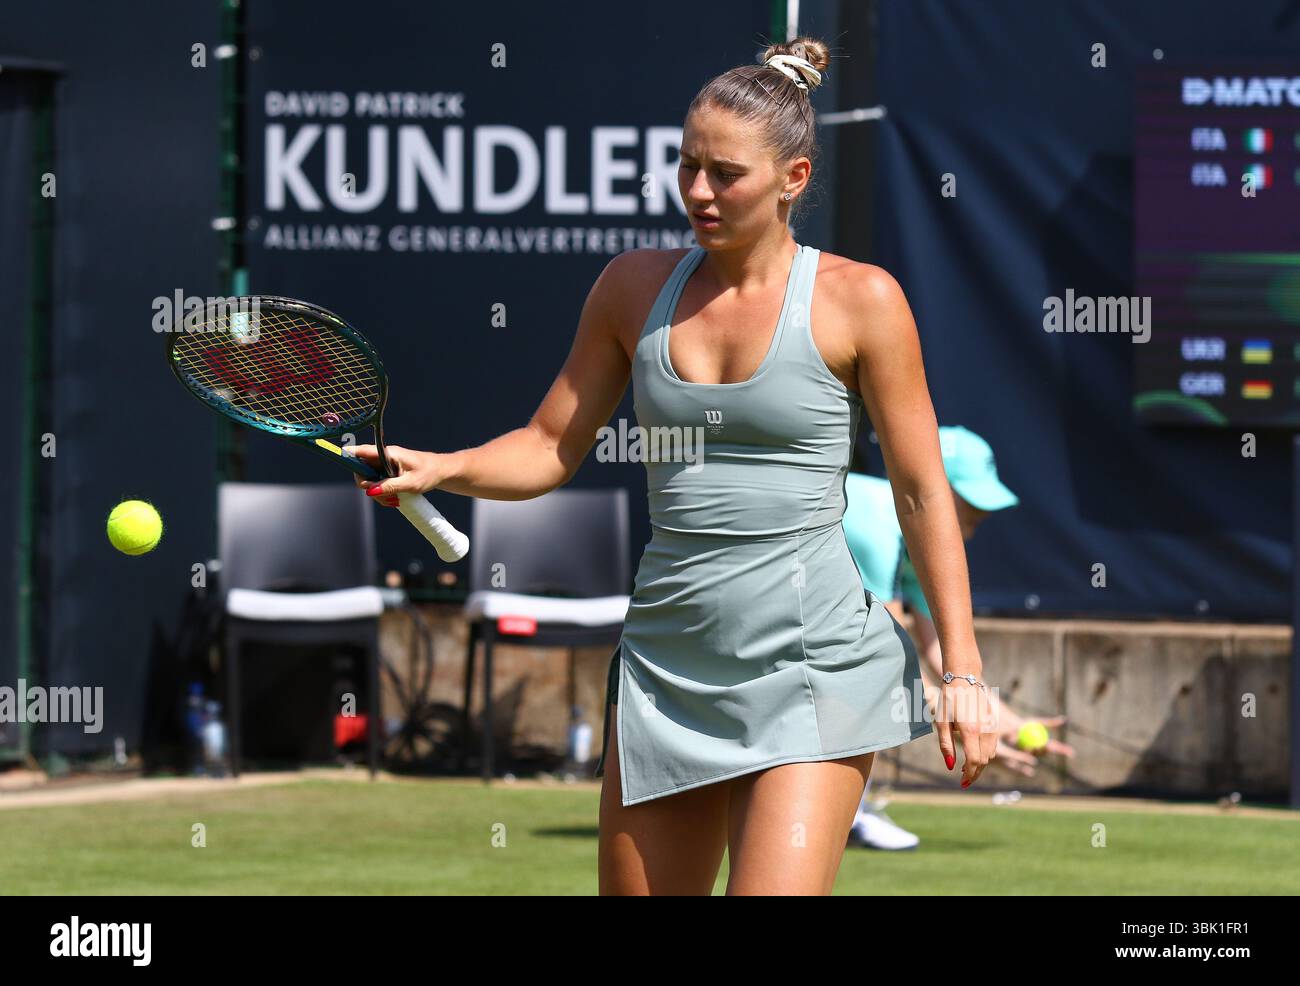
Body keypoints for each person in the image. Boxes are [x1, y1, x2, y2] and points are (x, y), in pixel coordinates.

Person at [350, 36, 997, 895]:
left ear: (793, 179)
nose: (697, 190)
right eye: (686, 164)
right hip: (665, 666)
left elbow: (922, 494)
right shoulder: (629, 287)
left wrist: (963, 672)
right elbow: (548, 447)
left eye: (724, 173)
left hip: (813, 664)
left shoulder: (862, 300)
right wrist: (443, 469)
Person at [842, 426, 1073, 850]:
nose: (975, 522)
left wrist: (1001, 721)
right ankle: (848, 816)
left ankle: (849, 813)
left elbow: (941, 652)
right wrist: (961, 721)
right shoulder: (876, 525)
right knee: (858, 682)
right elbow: (885, 653)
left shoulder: (909, 537)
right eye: (969, 503)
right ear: (929, 486)